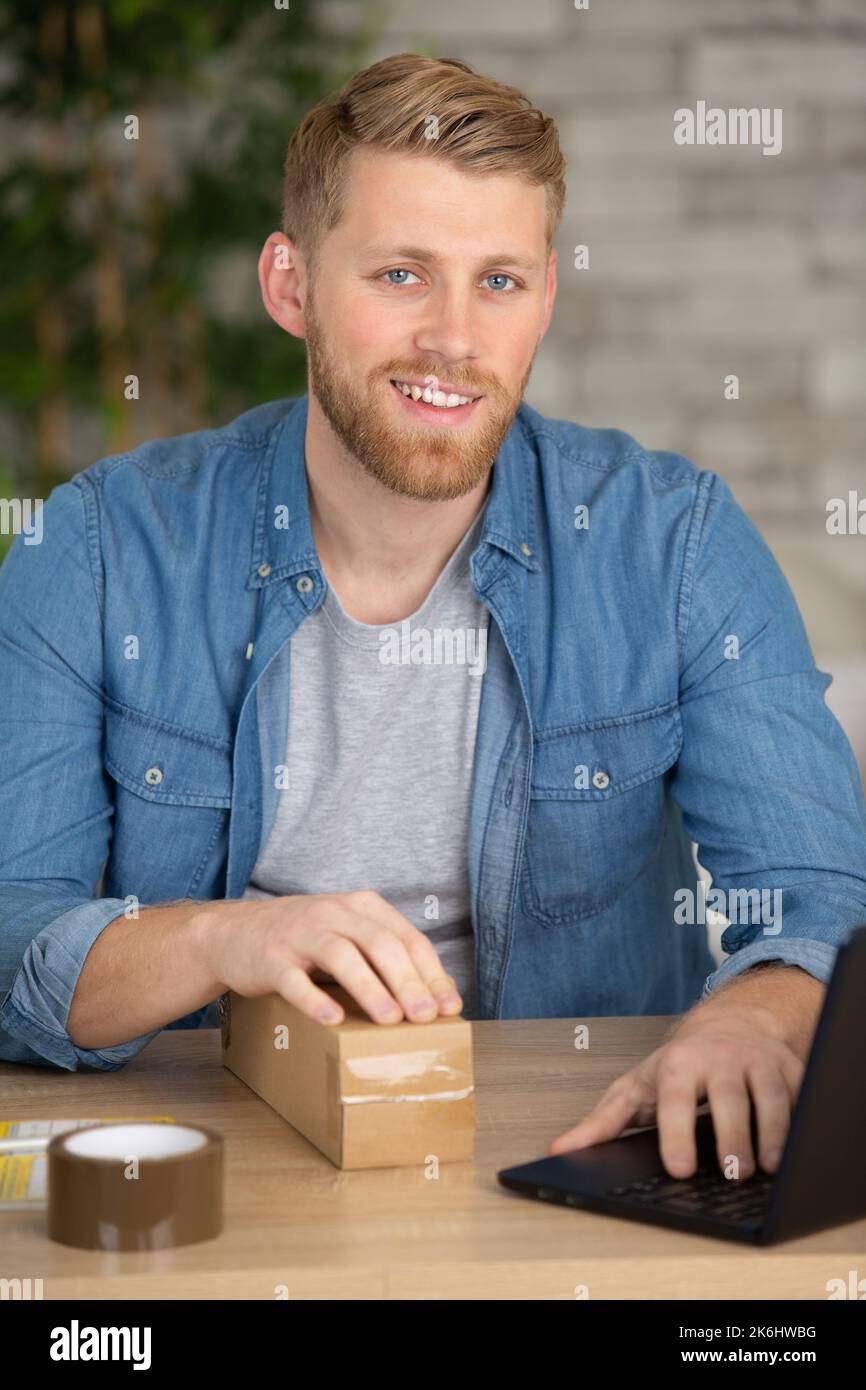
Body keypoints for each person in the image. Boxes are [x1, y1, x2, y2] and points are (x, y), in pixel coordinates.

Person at [2, 54, 865, 1184]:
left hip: (565, 1157)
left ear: (545, 297)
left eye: (497, 282)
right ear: (290, 285)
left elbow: (822, 900)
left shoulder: (677, 545)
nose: (453, 338)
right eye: (401, 274)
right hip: (219, 1161)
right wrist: (228, 938)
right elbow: (13, 931)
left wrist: (757, 1015)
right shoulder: (99, 549)